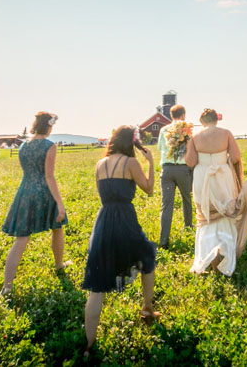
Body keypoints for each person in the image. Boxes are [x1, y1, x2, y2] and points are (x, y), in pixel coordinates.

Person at [82, 126, 157, 356]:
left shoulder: (99, 164)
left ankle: (89, 346)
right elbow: (149, 189)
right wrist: (151, 163)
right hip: (125, 218)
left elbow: (102, 195)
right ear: (130, 142)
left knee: (97, 285)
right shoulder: (130, 163)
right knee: (147, 256)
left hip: (103, 220)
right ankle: (147, 308)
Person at [1, 111, 68, 294]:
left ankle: (7, 286)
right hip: (44, 192)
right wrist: (60, 204)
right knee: (58, 227)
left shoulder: (24, 145)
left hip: (25, 191)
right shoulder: (49, 146)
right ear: (48, 125)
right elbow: (49, 176)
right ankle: (59, 265)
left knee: (21, 238)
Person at [184, 108, 244, 275]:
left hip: (203, 175)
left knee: (206, 214)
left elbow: (190, 162)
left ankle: (209, 257)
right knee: (225, 211)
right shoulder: (226, 133)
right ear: (216, 120)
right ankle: (225, 253)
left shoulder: (194, 137)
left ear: (202, 121)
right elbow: (236, 156)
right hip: (222, 175)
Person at [155, 104, 194, 249]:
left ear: (171, 116)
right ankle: (188, 227)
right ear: (183, 115)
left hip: (167, 170)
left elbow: (160, 148)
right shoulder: (187, 129)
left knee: (166, 205)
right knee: (186, 199)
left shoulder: (164, 130)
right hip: (183, 169)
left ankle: (164, 239)